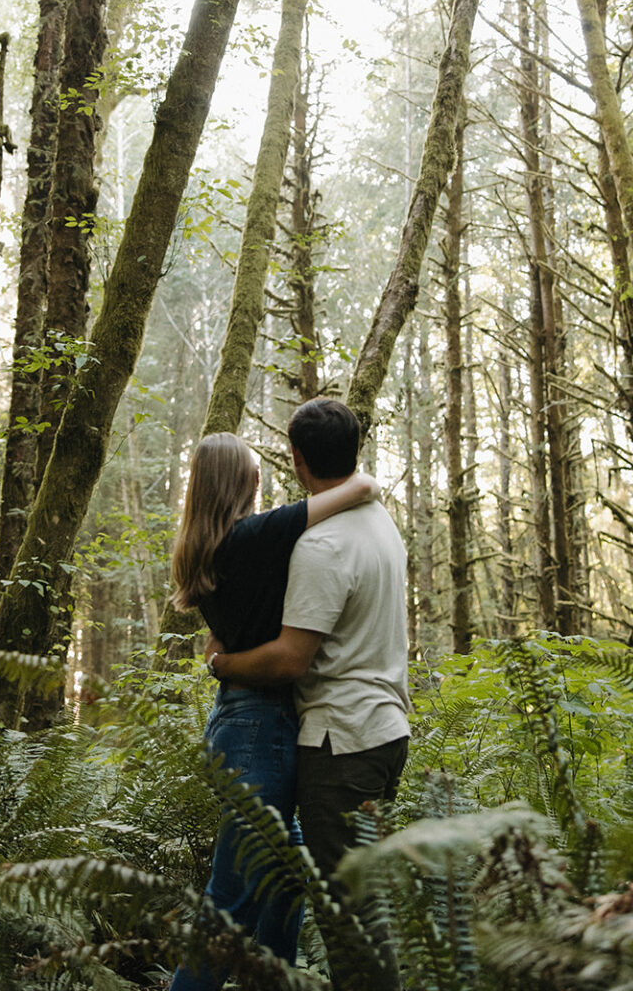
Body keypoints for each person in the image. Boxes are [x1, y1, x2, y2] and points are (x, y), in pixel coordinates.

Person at [205, 398, 410, 991]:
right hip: (384, 730)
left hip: (340, 742)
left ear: (296, 459)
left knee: (350, 921)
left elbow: (290, 659)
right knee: (363, 907)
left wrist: (221, 663)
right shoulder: (379, 520)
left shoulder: (322, 547)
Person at [169, 429, 379, 991]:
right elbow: (360, 488)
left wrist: (219, 660)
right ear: (248, 482)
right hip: (261, 730)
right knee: (233, 895)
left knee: (286, 879)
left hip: (241, 723)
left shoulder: (201, 549)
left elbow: (221, 640)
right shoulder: (255, 536)